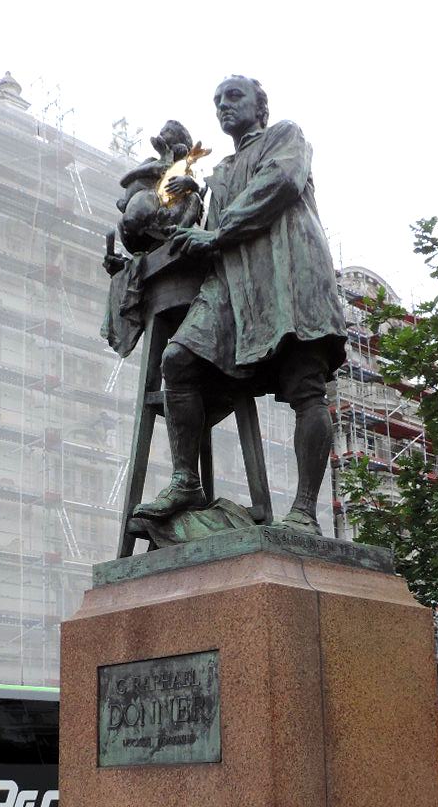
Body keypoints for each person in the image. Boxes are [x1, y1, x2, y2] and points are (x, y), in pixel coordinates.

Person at [132, 76, 347, 535]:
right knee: (179, 360)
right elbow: (195, 226)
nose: (223, 107)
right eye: (217, 101)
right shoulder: (221, 171)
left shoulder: (284, 136)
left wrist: (216, 232)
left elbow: (278, 183)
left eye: (233, 97)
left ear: (260, 107)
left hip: (288, 274)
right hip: (233, 284)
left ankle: (305, 513)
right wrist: (169, 188)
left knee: (306, 387)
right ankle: (186, 480)